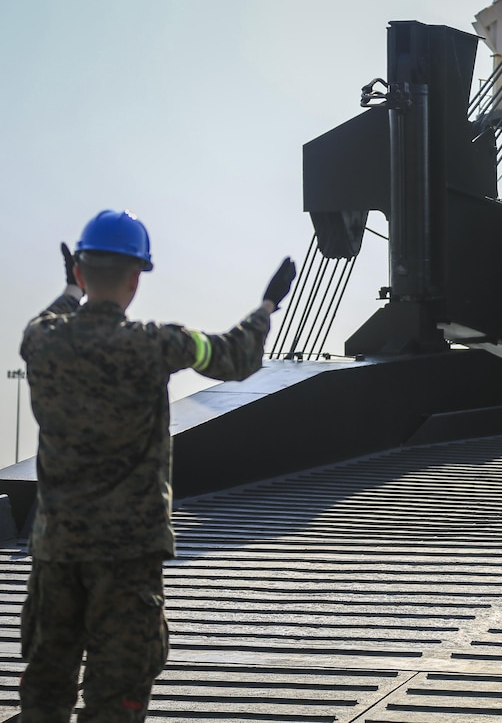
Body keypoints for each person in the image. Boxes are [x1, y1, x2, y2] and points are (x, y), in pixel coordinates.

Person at [18, 209, 296, 722]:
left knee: (43, 695)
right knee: (116, 701)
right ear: (135, 278)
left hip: (56, 551)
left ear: (80, 272)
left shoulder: (40, 339)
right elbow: (234, 357)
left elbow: (53, 312)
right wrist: (266, 305)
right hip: (127, 557)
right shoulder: (158, 343)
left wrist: (69, 290)